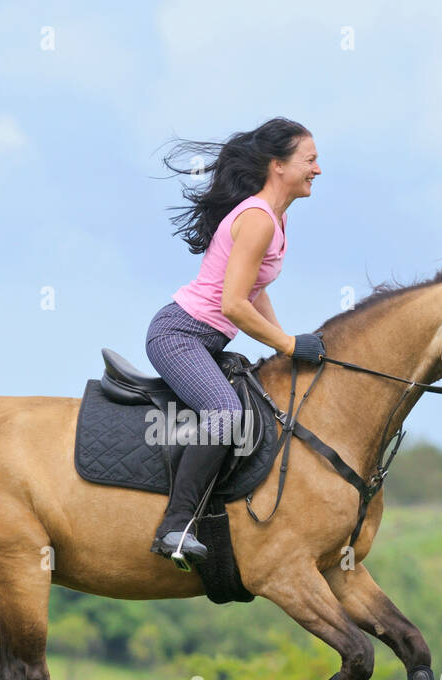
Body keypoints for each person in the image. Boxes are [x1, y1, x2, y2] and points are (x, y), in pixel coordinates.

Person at [146, 117, 325, 568]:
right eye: (310, 160)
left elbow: (255, 290)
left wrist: (284, 344)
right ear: (277, 165)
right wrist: (287, 345)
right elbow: (233, 305)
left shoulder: (274, 220)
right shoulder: (258, 219)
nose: (317, 170)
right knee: (227, 414)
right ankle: (175, 527)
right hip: (180, 334)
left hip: (205, 339)